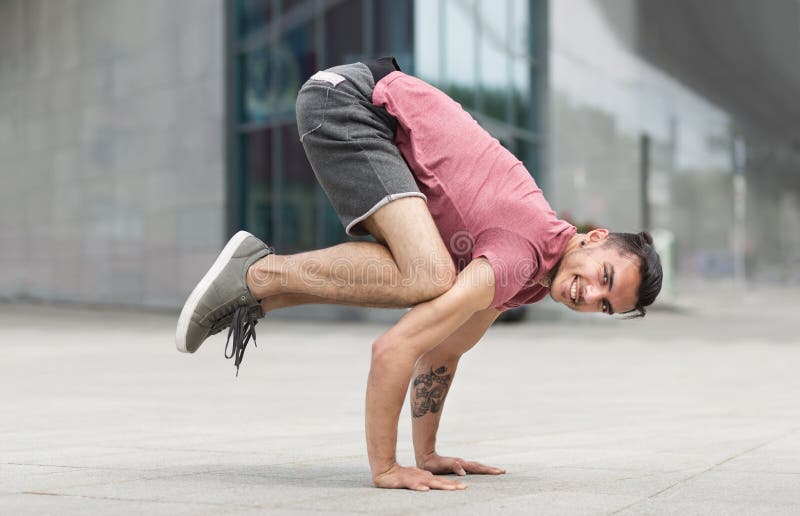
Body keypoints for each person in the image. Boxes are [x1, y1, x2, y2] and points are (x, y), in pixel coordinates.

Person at [175, 57, 663, 491]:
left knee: (434, 283)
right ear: (595, 237)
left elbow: (443, 349)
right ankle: (258, 276)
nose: (590, 294)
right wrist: (386, 467)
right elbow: (395, 347)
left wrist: (426, 456)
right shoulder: (521, 255)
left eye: (604, 303)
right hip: (351, 102)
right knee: (430, 277)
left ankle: (257, 293)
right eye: (603, 276)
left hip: (363, 108)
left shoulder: (533, 281)